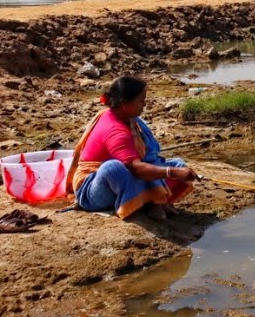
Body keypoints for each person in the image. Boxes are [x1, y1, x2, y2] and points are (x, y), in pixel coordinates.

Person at [67, 76, 197, 220]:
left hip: (128, 174)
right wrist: (171, 172)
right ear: (124, 104)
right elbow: (135, 168)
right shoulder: (115, 130)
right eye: (141, 100)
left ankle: (153, 199)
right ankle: (147, 202)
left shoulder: (131, 121)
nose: (145, 104)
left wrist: (174, 169)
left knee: (178, 163)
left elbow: (150, 157)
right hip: (95, 190)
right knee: (113, 168)